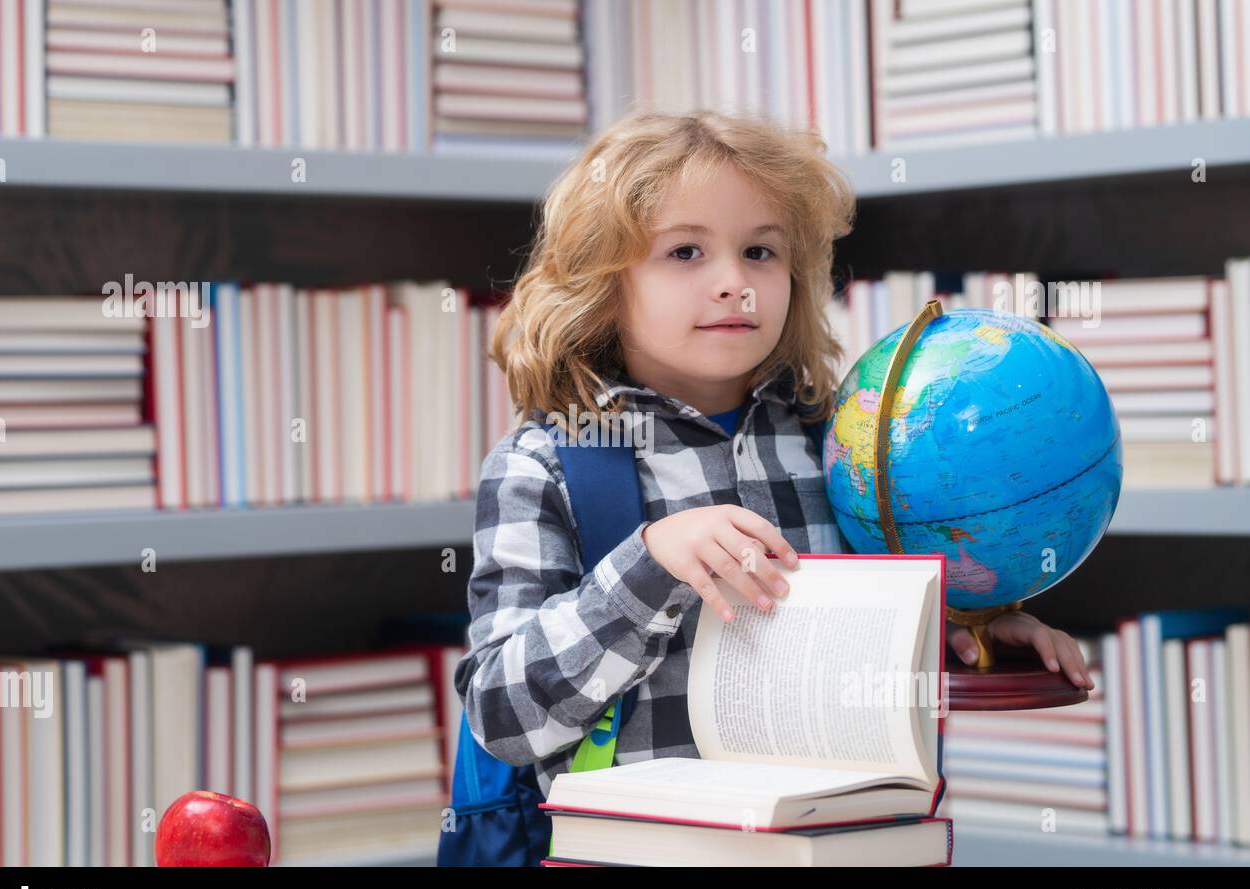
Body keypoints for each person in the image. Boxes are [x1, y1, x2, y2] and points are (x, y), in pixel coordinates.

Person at [454, 109, 1094, 802]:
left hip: (838, 837)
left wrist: (977, 629)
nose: (736, 282)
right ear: (602, 282)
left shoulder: (848, 446)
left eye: (761, 251)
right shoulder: (545, 466)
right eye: (685, 252)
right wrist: (649, 564)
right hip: (645, 846)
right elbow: (501, 716)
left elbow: (866, 652)